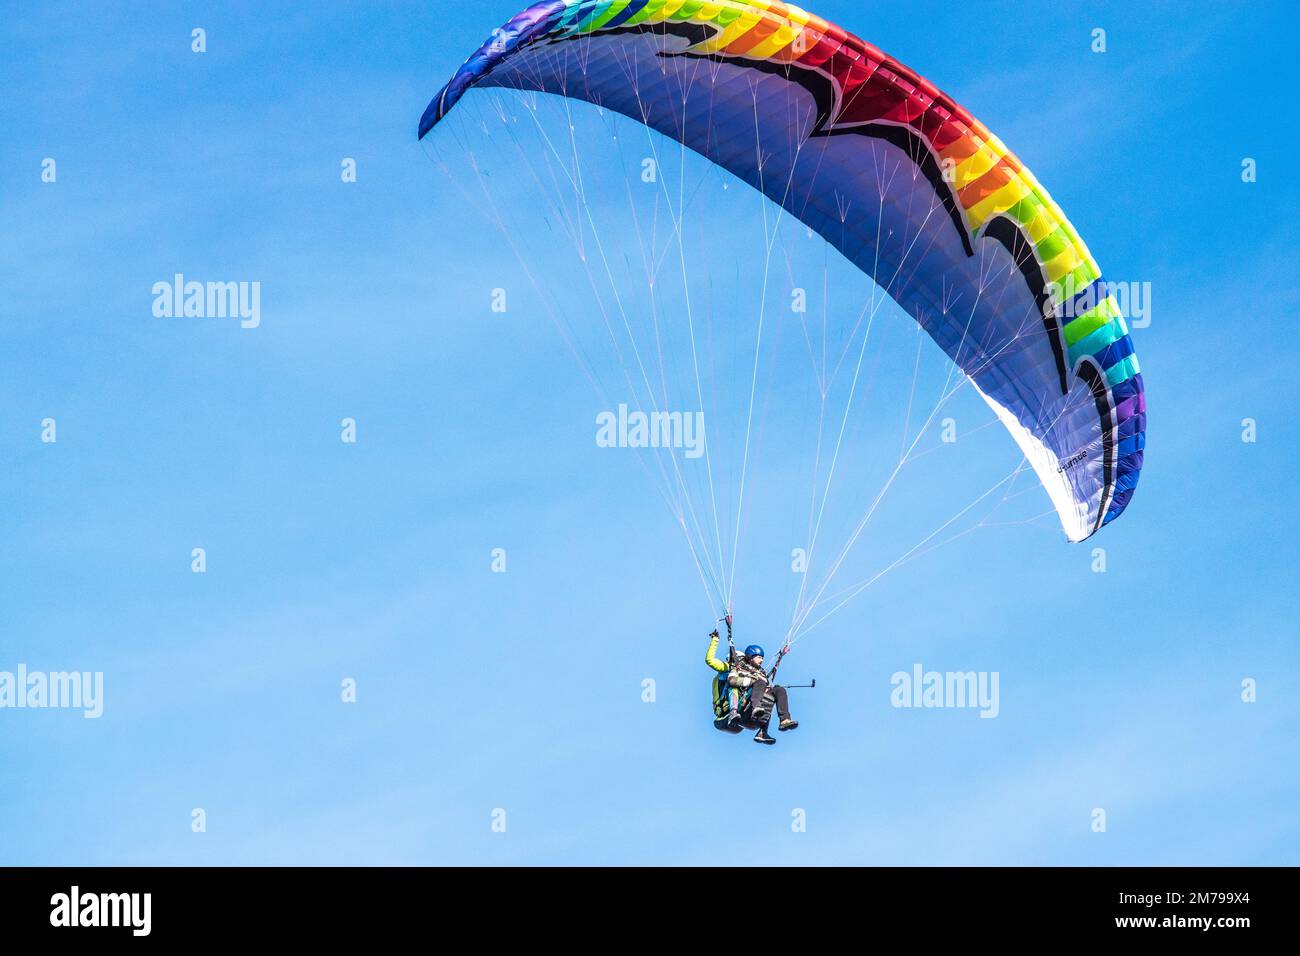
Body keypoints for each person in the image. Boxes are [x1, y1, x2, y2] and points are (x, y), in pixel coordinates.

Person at [706, 629, 798, 744]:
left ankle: (781, 722)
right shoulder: (729, 669)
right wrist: (715, 640)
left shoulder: (754, 672)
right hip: (730, 711)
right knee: (750, 684)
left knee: (778, 690)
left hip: (747, 713)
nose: (738, 661)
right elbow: (714, 664)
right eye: (736, 659)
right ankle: (745, 710)